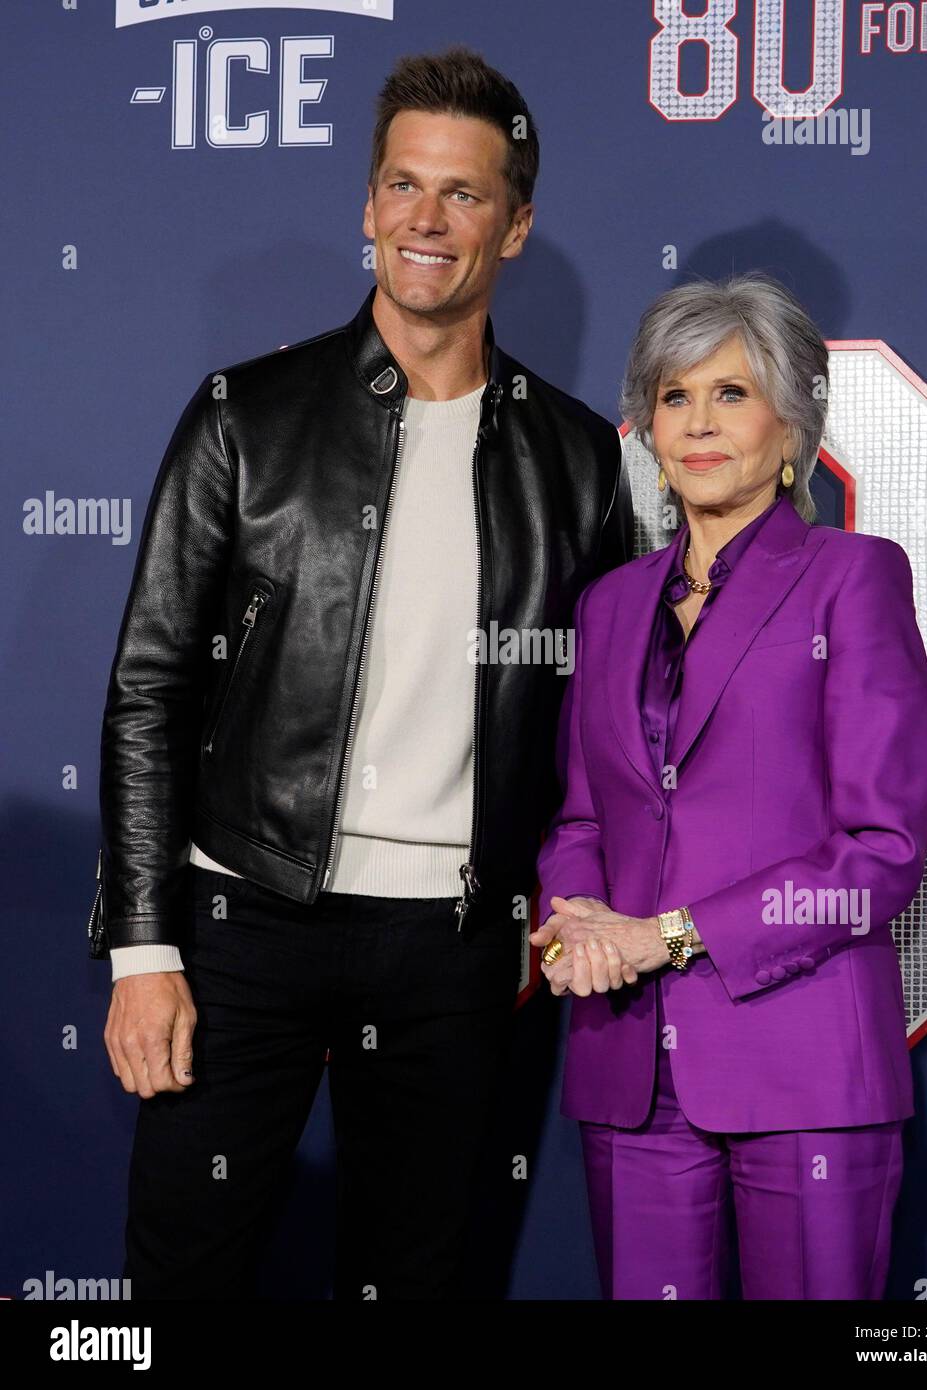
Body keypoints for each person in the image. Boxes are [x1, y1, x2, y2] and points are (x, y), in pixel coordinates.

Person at [90, 45, 633, 1300]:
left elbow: (603, 727)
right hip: (244, 922)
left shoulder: (584, 463)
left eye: (462, 194)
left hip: (452, 950)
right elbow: (149, 689)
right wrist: (141, 948)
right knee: (184, 1274)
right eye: (402, 186)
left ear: (516, 224)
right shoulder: (244, 415)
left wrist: (553, 909)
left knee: (419, 1277)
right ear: (368, 205)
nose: (424, 220)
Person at [530, 272, 927, 1301]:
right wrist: (572, 917)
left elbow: (878, 855)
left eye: (732, 393)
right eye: (675, 396)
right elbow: (584, 813)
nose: (699, 423)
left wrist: (664, 934)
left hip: (804, 1072)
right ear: (649, 429)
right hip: (632, 1076)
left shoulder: (853, 577)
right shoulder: (612, 604)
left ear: (790, 427)